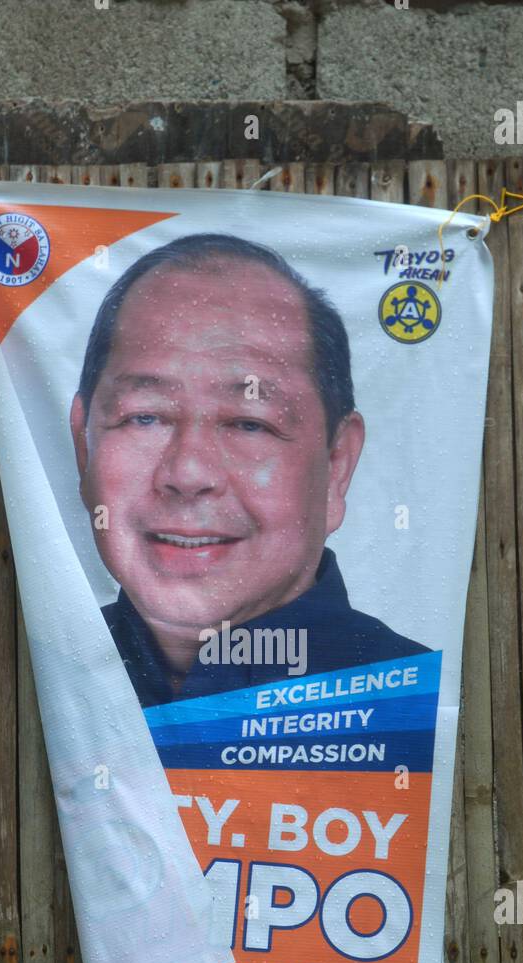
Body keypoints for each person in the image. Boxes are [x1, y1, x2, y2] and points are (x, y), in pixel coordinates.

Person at [70, 232, 428, 708]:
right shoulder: (28, 685)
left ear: (336, 464)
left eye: (248, 423)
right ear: (83, 445)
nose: (188, 473)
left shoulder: (413, 701)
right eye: (146, 416)